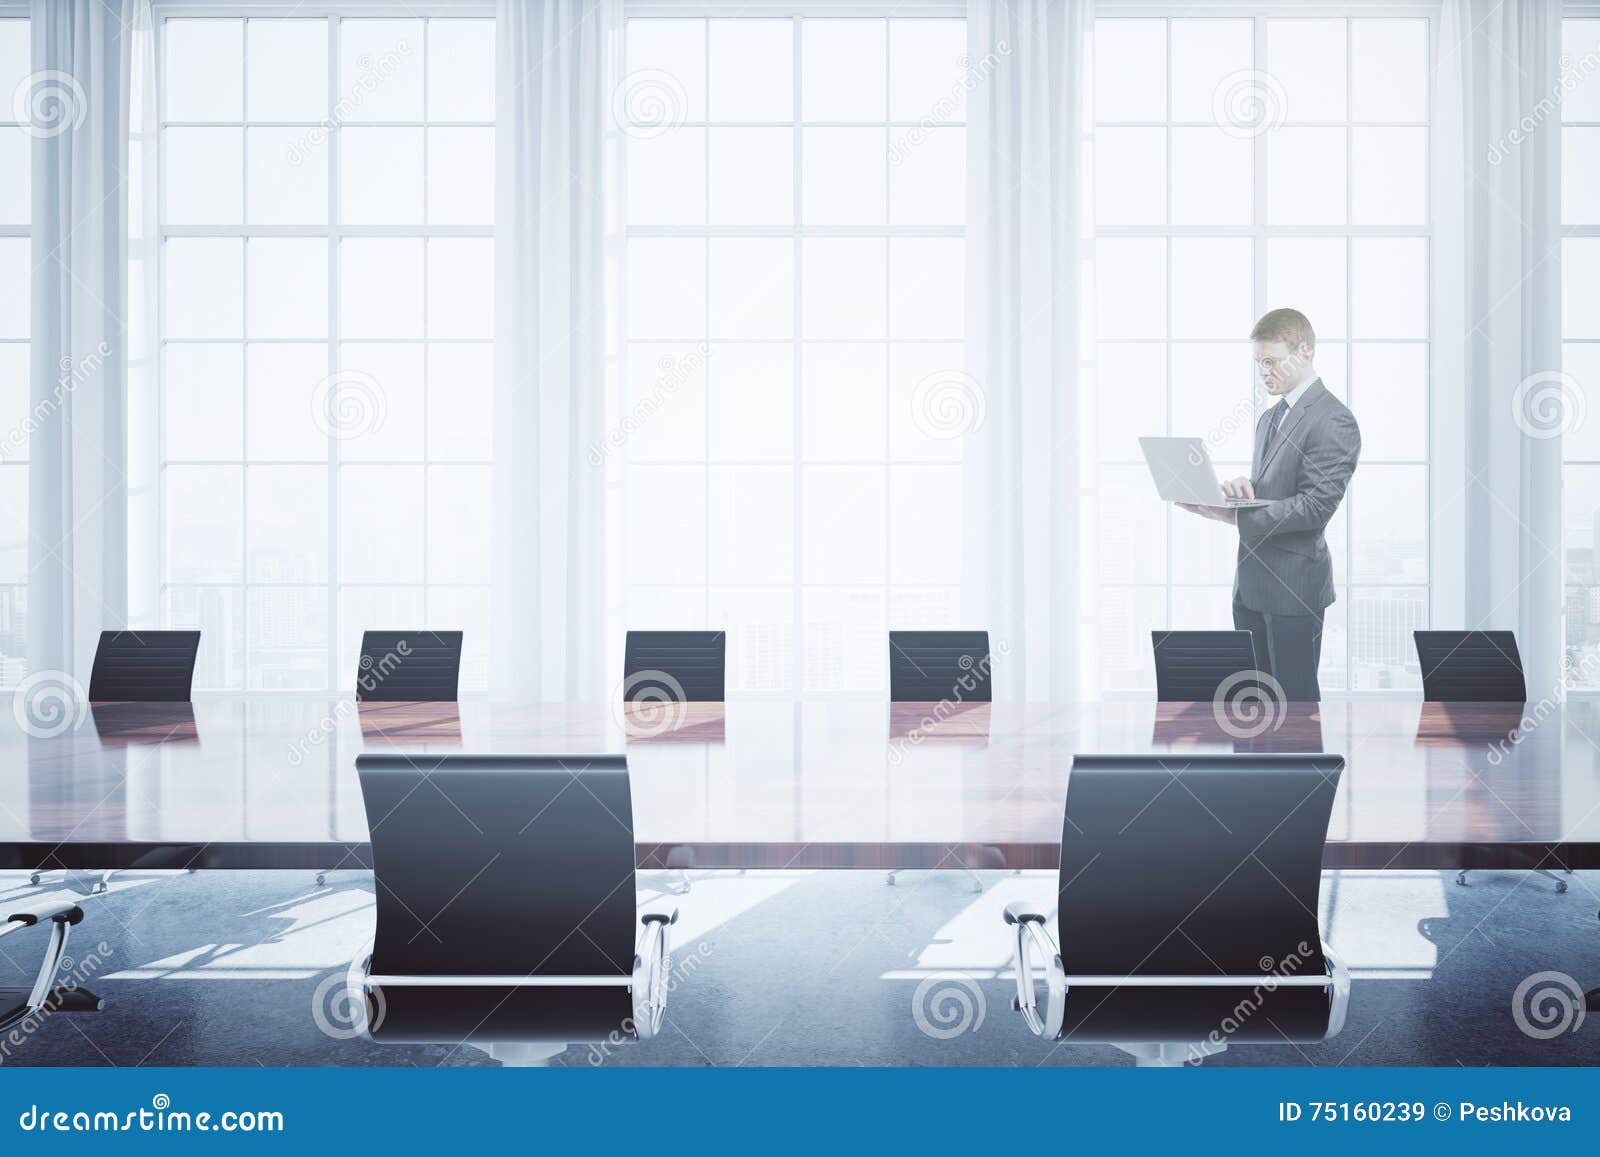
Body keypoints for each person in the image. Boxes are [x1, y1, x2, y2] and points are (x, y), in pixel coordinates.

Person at [1178, 308, 1360, 701]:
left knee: (1295, 712)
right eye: (1259, 362)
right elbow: (1275, 493)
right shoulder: (1269, 418)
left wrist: (1232, 516)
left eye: (1271, 361)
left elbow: (1314, 508)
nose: (1264, 371)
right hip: (1251, 586)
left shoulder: (1333, 419)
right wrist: (1243, 492)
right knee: (1254, 706)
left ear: (1305, 351)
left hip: (1293, 589)